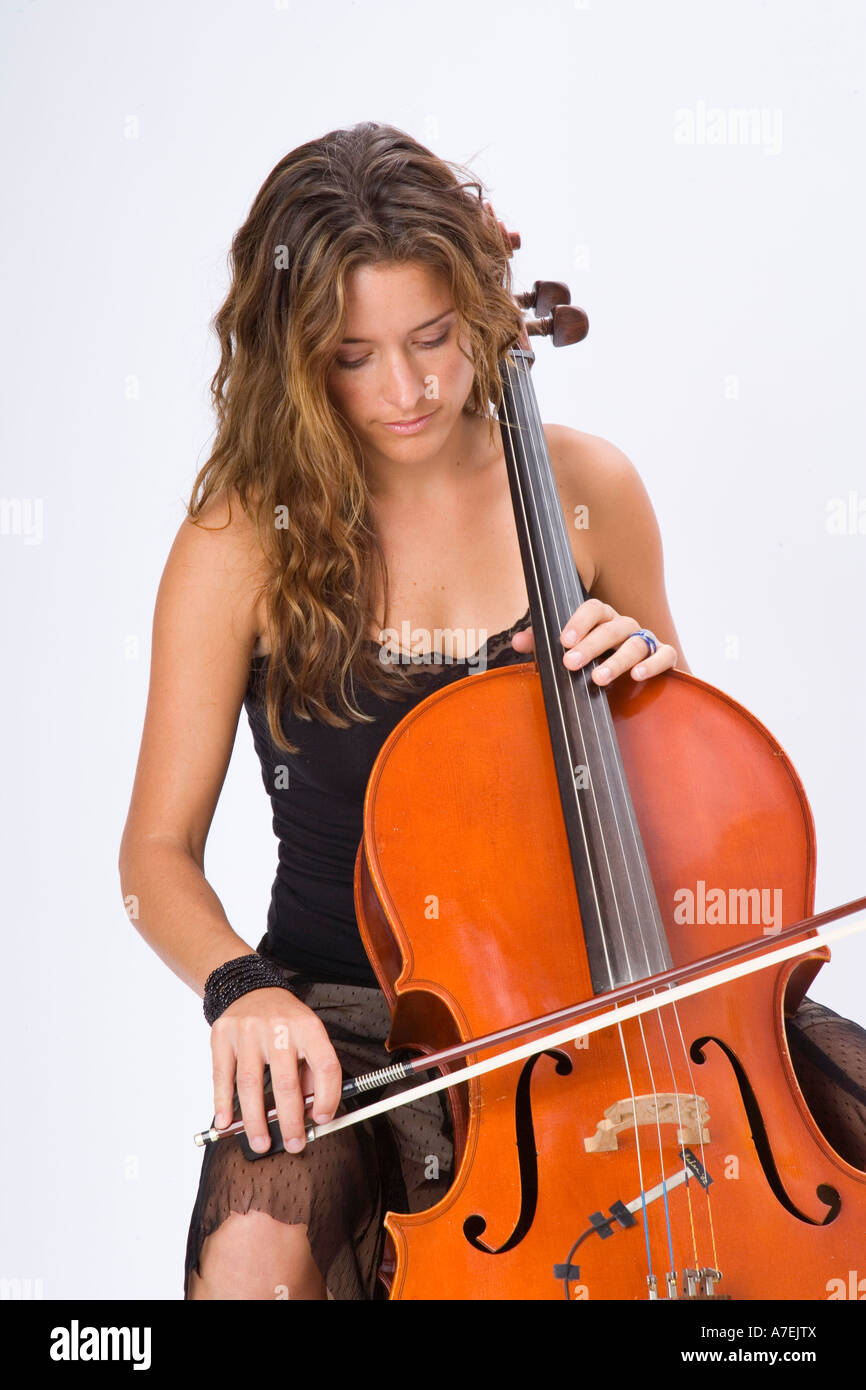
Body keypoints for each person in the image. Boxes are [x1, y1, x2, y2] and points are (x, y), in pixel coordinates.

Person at [118, 121, 866, 1302]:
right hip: (351, 1020)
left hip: (608, 988)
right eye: (353, 354)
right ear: (294, 353)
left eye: (432, 338)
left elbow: (696, 804)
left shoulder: (587, 491)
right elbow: (152, 856)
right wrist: (238, 989)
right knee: (253, 1258)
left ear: (481, 309)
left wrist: (650, 680)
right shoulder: (238, 540)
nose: (406, 389)